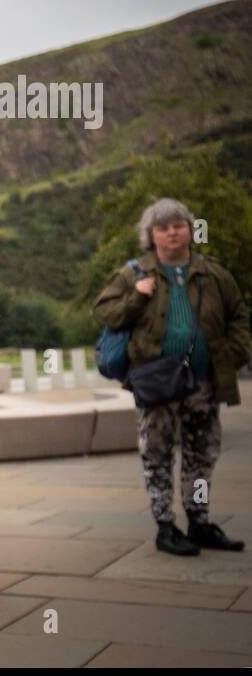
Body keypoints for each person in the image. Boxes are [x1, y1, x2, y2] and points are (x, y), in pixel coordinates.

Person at [93, 198, 249, 555]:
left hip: (204, 383)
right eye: (162, 227)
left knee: (202, 454)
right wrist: (136, 297)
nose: (171, 232)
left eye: (178, 225)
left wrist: (236, 353)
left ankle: (199, 521)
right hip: (156, 382)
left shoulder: (214, 274)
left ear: (190, 230)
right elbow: (105, 312)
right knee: (157, 453)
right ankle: (165, 526)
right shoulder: (134, 273)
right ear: (152, 235)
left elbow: (238, 314)